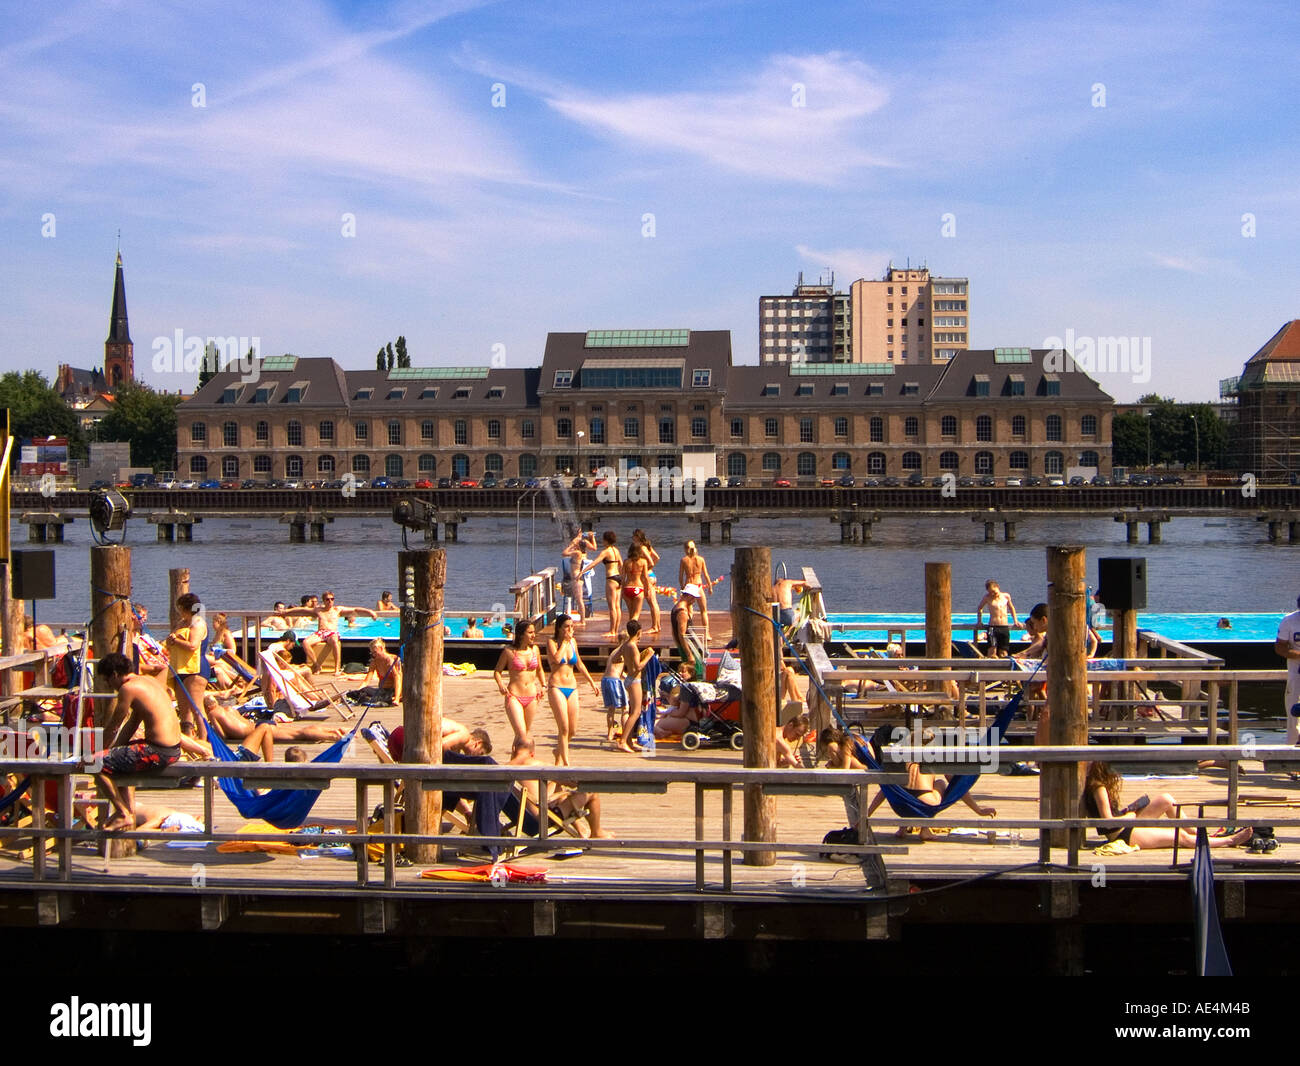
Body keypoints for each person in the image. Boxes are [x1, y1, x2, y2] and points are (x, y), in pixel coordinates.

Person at [86, 652, 182, 831]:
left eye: (107, 680)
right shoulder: (148, 680)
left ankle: (123, 813)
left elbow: (114, 726)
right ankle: (128, 809)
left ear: (115, 674)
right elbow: (132, 723)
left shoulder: (127, 688)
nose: (109, 685)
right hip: (173, 749)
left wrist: (98, 753)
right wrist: (112, 750)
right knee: (117, 758)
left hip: (158, 751)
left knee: (93, 763)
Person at [1083, 762, 1252, 850]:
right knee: (1178, 837)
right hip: (1121, 834)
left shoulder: (1099, 784)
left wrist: (1130, 811)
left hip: (1125, 825)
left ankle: (1200, 833)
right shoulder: (1099, 787)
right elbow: (1107, 822)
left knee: (1166, 799)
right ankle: (1229, 841)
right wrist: (1129, 816)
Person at [505, 737, 612, 838]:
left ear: (514, 749)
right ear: (532, 754)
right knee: (590, 791)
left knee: (556, 786)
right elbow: (572, 782)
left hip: (522, 821)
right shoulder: (538, 765)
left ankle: (579, 827)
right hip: (542, 822)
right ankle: (596, 832)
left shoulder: (500, 770)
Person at [545, 614, 598, 766]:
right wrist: (565, 643)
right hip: (556, 686)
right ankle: (565, 764)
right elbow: (555, 659)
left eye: (571, 626)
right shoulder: (552, 642)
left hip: (572, 686)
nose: (570, 629)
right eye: (566, 627)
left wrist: (591, 682)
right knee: (564, 727)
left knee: (572, 730)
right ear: (559, 628)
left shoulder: (573, 642)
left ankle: (558, 750)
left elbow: (579, 663)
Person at [285, 592, 378, 675]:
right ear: (324, 601)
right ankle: (317, 665)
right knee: (305, 643)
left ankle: (336, 668)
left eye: (332, 599)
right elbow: (301, 610)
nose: (330, 601)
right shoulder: (318, 610)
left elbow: (355, 610)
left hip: (331, 633)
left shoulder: (337, 610)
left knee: (334, 641)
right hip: (321, 632)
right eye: (327, 599)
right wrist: (286, 612)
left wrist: (370, 612)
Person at [493, 621, 547, 746]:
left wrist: (544, 685)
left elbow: (539, 669)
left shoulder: (535, 650)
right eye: (530, 632)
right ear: (521, 634)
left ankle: (516, 762)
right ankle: (518, 762)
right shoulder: (509, 651)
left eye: (534, 632)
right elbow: (497, 672)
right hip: (514, 696)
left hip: (532, 697)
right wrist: (501, 685)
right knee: (521, 734)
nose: (534, 635)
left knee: (524, 734)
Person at [165, 591, 209, 740]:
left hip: (195, 668)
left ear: (187, 608)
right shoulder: (182, 623)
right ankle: (188, 737)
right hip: (179, 667)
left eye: (180, 608)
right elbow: (171, 639)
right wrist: (171, 640)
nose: (179, 611)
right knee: (184, 710)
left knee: (197, 708)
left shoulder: (198, 623)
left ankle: (204, 740)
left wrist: (176, 640)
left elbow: (192, 645)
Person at [609, 620, 654, 753]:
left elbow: (614, 659)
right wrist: (648, 656)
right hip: (634, 680)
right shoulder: (633, 646)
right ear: (638, 632)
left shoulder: (625, 645)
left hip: (629, 679)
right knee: (636, 712)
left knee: (632, 712)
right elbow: (638, 667)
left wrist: (627, 662)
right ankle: (623, 741)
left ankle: (628, 741)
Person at [579, 531, 622, 640]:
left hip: (611, 579)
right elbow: (621, 564)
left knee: (612, 607)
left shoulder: (606, 551)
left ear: (606, 540)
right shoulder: (616, 550)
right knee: (617, 606)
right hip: (618, 578)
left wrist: (582, 571)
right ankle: (616, 630)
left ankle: (612, 631)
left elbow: (594, 563)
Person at [678, 540, 713, 643]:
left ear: (685, 549)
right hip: (698, 586)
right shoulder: (701, 559)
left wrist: (682, 587)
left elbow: (680, 576)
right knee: (704, 611)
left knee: (688, 610)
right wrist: (710, 586)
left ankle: (687, 631)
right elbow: (706, 574)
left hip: (689, 586)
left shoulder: (684, 560)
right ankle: (707, 634)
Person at [1276, 595, 1300, 744]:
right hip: (1296, 672)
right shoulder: (1289, 621)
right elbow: (1280, 647)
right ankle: (1292, 753)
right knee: (1294, 713)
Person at [975, 579, 1019, 658]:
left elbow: (1012, 608)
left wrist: (1015, 620)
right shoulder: (987, 598)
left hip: (1004, 627)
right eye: (990, 592)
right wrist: (979, 621)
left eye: (994, 591)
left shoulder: (1006, 596)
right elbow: (980, 608)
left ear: (998, 587)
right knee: (992, 652)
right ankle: (990, 669)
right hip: (992, 627)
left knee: (1003, 652)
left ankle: (1005, 669)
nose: (992, 594)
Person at [671, 585, 704, 680]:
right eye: (693, 598)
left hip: (684, 646)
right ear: (689, 596)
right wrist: (689, 654)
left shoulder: (675, 608)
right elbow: (682, 634)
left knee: (690, 674)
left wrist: (678, 645)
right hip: (689, 647)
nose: (694, 601)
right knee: (696, 674)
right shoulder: (682, 612)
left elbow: (674, 632)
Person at [632, 530, 662, 634]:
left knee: (651, 602)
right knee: (654, 602)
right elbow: (657, 557)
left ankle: (654, 626)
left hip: (648, 576)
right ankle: (657, 625)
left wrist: (646, 569)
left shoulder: (642, 548)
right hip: (652, 575)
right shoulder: (648, 546)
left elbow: (651, 561)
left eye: (634, 536)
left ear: (637, 537)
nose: (632, 538)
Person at [619, 544, 651, 631]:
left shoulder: (626, 562)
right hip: (638, 588)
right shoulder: (643, 561)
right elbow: (645, 577)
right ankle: (635, 633)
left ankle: (630, 633)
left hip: (627, 588)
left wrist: (621, 591)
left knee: (631, 614)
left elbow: (622, 577)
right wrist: (647, 589)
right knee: (636, 615)